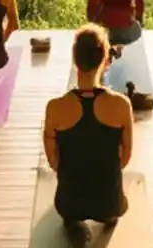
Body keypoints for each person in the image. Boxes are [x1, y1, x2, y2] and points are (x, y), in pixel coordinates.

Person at [43, 25, 134, 228]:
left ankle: (75, 213)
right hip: (110, 204)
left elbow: (53, 161)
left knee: (70, 207)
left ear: (75, 60)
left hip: (69, 205)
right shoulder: (121, 105)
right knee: (114, 207)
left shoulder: (55, 107)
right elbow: (125, 159)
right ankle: (106, 212)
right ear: (105, 60)